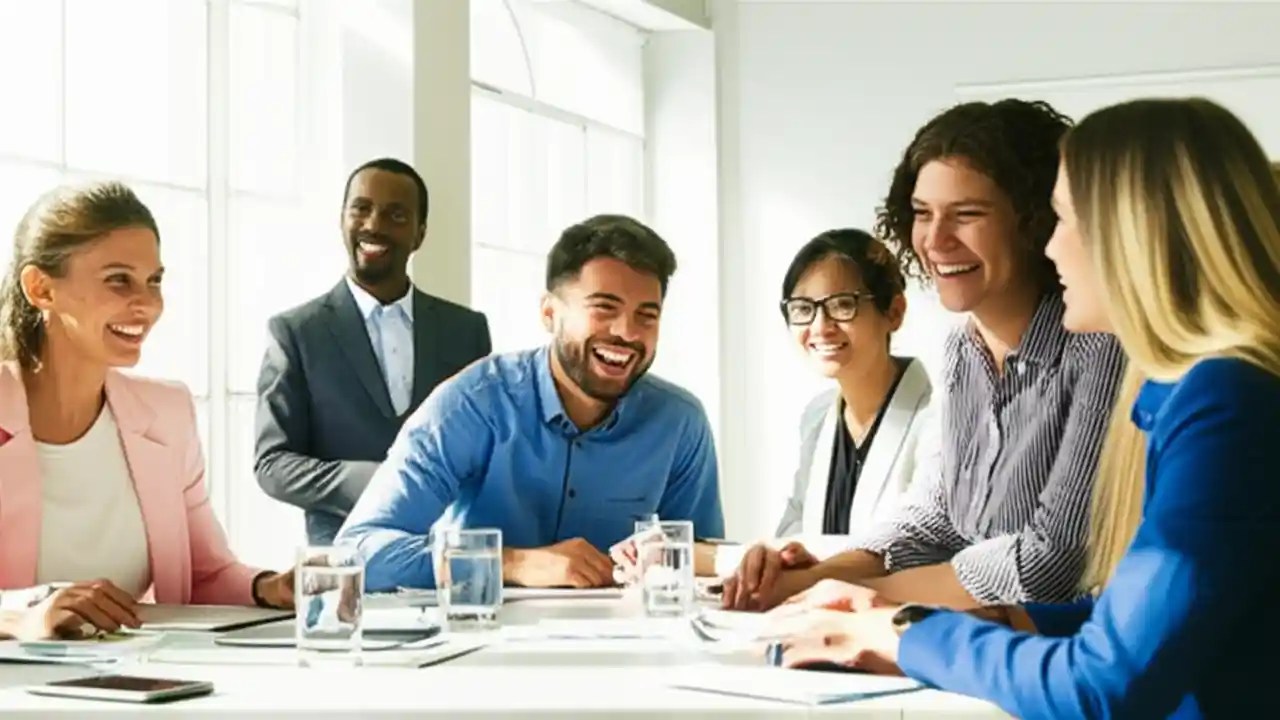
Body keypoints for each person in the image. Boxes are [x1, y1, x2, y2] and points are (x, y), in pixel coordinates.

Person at [767, 97, 1280, 720]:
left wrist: (907, 634)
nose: (1053, 246)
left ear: (1131, 234)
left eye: (1062, 220)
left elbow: (1102, 682)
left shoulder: (1224, 402)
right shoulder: (1199, 390)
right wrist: (978, 619)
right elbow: (1128, 622)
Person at [723, 99, 1126, 611]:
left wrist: (841, 593)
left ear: (1033, 222)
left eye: (967, 215)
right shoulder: (960, 349)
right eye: (921, 214)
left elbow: (1048, 564)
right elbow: (937, 515)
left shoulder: (1100, 348)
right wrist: (819, 574)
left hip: (1052, 658)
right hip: (969, 644)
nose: (935, 241)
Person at [337, 214, 724, 592]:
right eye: (604, 308)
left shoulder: (680, 424)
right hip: (479, 643)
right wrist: (511, 562)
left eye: (647, 315)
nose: (626, 332)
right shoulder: (473, 405)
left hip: (626, 647)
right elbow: (356, 550)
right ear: (549, 313)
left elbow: (703, 564)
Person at [0, 181, 294, 641]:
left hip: (137, 684)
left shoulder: (167, 414)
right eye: (118, 279)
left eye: (153, 281)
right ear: (41, 288)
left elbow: (204, 575)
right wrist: (24, 615)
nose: (148, 304)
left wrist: (269, 587)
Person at [618, 230, 934, 579]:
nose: (820, 326)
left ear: (894, 312)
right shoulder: (818, 416)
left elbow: (903, 549)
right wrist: (672, 553)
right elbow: (791, 545)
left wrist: (704, 557)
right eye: (803, 309)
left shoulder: (941, 416)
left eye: (843, 305)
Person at [255, 158, 492, 544]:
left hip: (448, 555)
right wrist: (375, 479)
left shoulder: (466, 332)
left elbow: (487, 451)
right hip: (343, 562)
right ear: (342, 219)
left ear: (419, 234)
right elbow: (273, 463)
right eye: (361, 209)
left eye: (395, 214)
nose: (373, 224)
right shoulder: (295, 333)